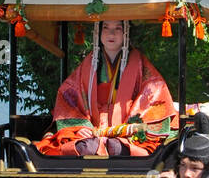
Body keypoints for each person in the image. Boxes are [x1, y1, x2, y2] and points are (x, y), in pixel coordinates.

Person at [38, 20, 176, 157]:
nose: (111, 33)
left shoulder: (139, 63)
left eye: (118, 28)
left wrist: (132, 125)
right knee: (79, 145)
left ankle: (116, 146)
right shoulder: (89, 63)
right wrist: (80, 128)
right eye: (106, 28)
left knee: (123, 147)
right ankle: (99, 145)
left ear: (126, 33)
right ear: (98, 32)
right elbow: (68, 95)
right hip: (92, 128)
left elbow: (156, 91)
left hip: (126, 129)